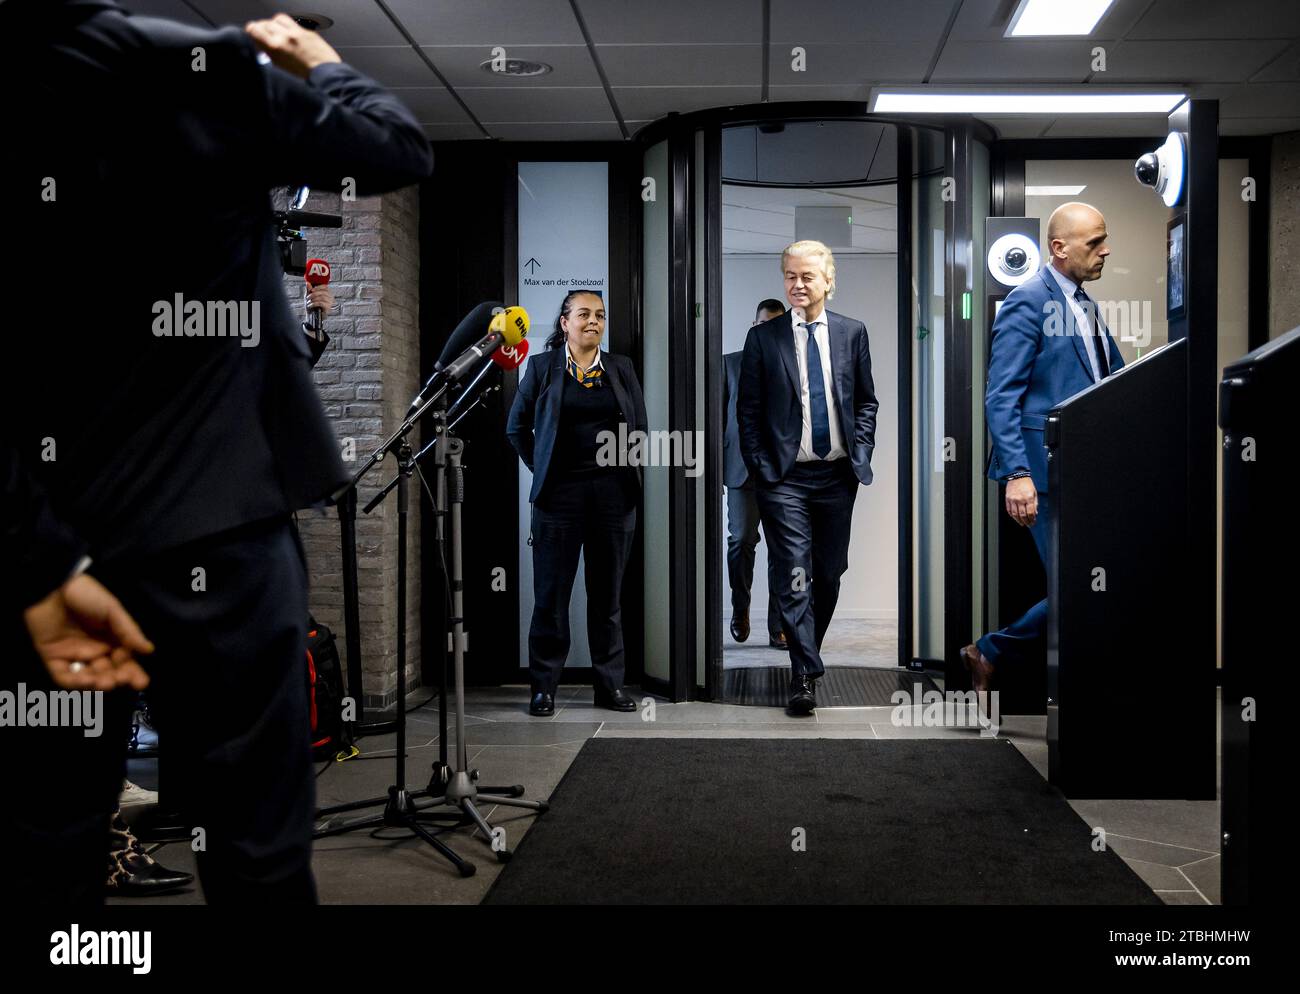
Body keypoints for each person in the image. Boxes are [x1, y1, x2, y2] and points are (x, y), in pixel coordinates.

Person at [1, 1, 433, 905]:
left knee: (44, 844)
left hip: (49, 547)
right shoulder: (198, 68)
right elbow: (395, 147)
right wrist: (313, 58)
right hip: (220, 533)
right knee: (257, 848)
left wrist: (41, 561)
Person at [961, 202, 1124, 697]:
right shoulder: (1028, 300)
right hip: (1043, 471)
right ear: (1059, 248)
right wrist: (1016, 473)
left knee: (1096, 582)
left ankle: (990, 652)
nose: (1105, 250)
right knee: (1078, 586)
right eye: (1094, 242)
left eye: (1103, 239)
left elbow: (1110, 379)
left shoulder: (1083, 303)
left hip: (1086, 472)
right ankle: (990, 651)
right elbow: (1001, 395)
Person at [737, 241, 879, 714]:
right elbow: (749, 410)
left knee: (830, 573)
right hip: (785, 478)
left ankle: (804, 658)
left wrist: (862, 446)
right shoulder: (764, 338)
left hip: (838, 476)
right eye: (789, 277)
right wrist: (762, 466)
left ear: (828, 281)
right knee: (794, 570)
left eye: (807, 278)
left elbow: (866, 401)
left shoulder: (852, 333)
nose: (797, 285)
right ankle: (804, 674)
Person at [507, 290, 648, 717]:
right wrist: (544, 467)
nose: (594, 322)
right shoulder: (543, 367)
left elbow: (639, 427)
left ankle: (609, 687)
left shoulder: (620, 368)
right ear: (564, 322)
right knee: (551, 598)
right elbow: (517, 427)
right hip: (559, 500)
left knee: (607, 599)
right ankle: (544, 688)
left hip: (612, 498)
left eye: (600, 315)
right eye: (584, 314)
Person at [722, 299, 787, 649]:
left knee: (783, 551)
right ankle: (740, 609)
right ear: (753, 324)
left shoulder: (792, 367)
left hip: (781, 474)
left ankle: (778, 625)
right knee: (740, 541)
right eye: (763, 323)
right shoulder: (730, 365)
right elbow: (718, 422)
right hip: (740, 473)